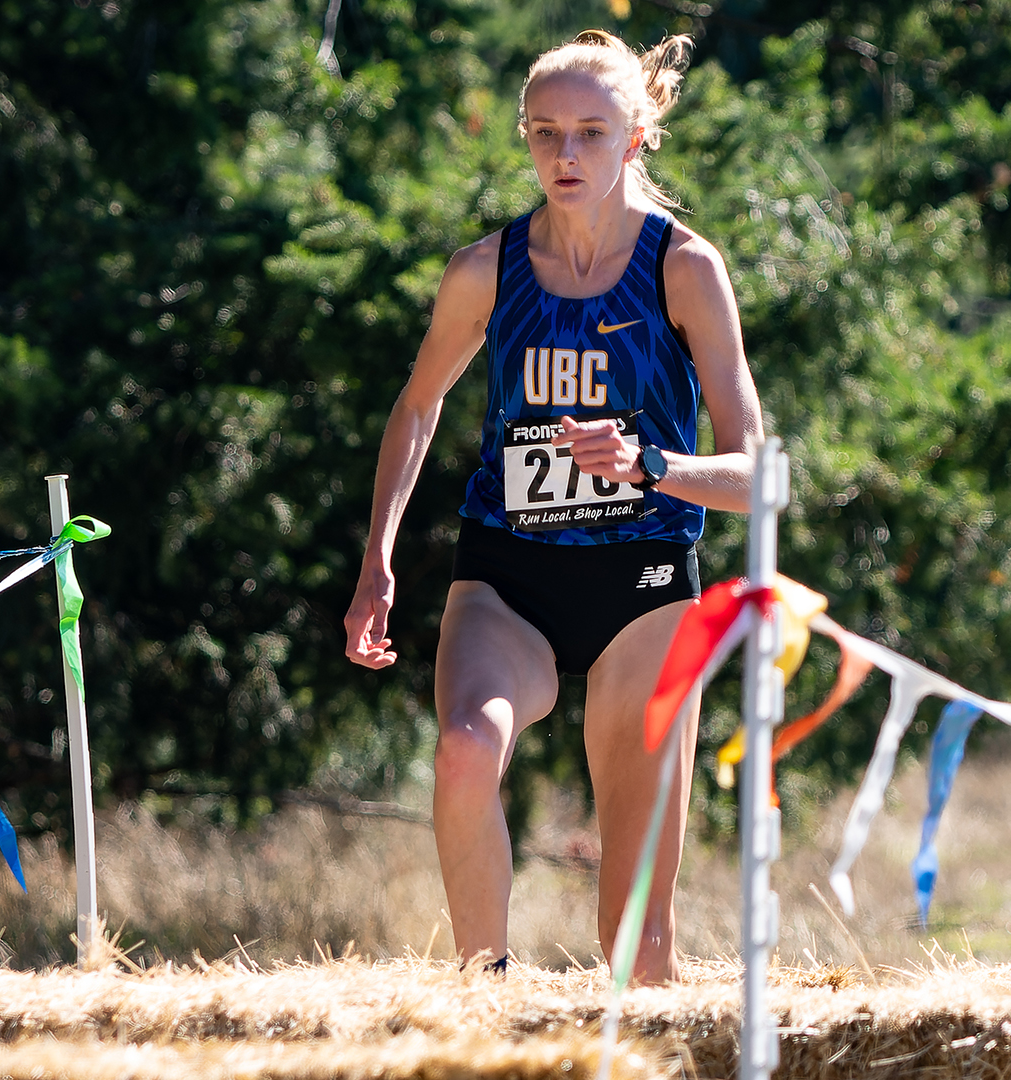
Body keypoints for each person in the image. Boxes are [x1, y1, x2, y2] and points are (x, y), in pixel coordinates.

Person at [342, 30, 763, 984]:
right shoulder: (486, 270)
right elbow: (417, 407)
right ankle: (482, 1000)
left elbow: (759, 476)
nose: (564, 157)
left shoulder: (685, 271)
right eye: (544, 135)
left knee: (638, 953)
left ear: (638, 135)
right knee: (460, 751)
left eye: (589, 133)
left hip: (645, 586)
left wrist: (650, 462)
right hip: (509, 576)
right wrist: (379, 560)